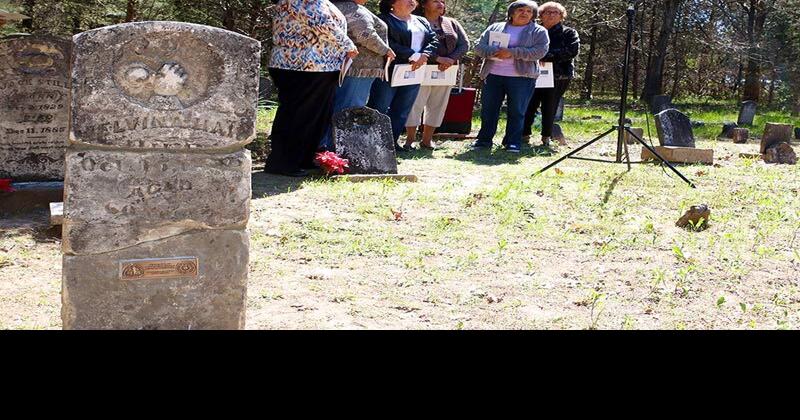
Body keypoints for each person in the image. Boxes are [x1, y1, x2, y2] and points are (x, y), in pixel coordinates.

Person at [265, 0, 358, 177]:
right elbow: (321, 23)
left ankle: (303, 159)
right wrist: (348, 46)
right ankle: (283, 162)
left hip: (319, 67)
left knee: (315, 117)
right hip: (300, 65)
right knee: (299, 115)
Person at [471, 1, 549, 153]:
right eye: (520, 10)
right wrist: (494, 51)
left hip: (522, 78)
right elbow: (478, 46)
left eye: (529, 11)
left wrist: (511, 52)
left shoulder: (538, 31)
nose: (525, 13)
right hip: (493, 75)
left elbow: (540, 51)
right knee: (489, 110)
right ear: (512, 13)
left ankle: (512, 142)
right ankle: (483, 141)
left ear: (533, 15)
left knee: (517, 111)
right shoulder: (495, 27)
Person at [319, 0, 396, 151]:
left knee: (343, 106)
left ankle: (332, 147)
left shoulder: (348, 7)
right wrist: (386, 50)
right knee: (348, 108)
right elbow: (365, 34)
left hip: (356, 68)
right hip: (358, 69)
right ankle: (333, 149)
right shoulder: (351, 8)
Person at [367, 0, 439, 151]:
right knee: (379, 106)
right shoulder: (383, 19)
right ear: (392, 3)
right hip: (389, 71)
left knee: (402, 109)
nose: (411, 1)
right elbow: (387, 42)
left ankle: (391, 144)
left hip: (414, 71)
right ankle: (371, 144)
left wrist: (425, 55)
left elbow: (433, 39)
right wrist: (412, 55)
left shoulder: (421, 21)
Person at [402, 0, 469, 151]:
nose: (440, 4)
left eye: (442, 1)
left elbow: (464, 44)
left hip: (446, 70)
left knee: (438, 105)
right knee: (415, 104)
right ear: (424, 4)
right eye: (435, 1)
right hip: (420, 68)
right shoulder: (416, 21)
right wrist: (437, 58)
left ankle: (427, 140)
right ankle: (410, 140)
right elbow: (413, 44)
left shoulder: (452, 23)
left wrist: (451, 59)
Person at [522, 1, 579, 148]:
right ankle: (524, 135)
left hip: (558, 76)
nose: (551, 15)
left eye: (556, 12)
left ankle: (546, 137)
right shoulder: (532, 31)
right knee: (528, 104)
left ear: (561, 16)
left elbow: (571, 51)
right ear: (540, 15)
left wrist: (545, 56)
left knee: (550, 106)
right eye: (548, 12)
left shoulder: (569, 32)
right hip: (531, 73)